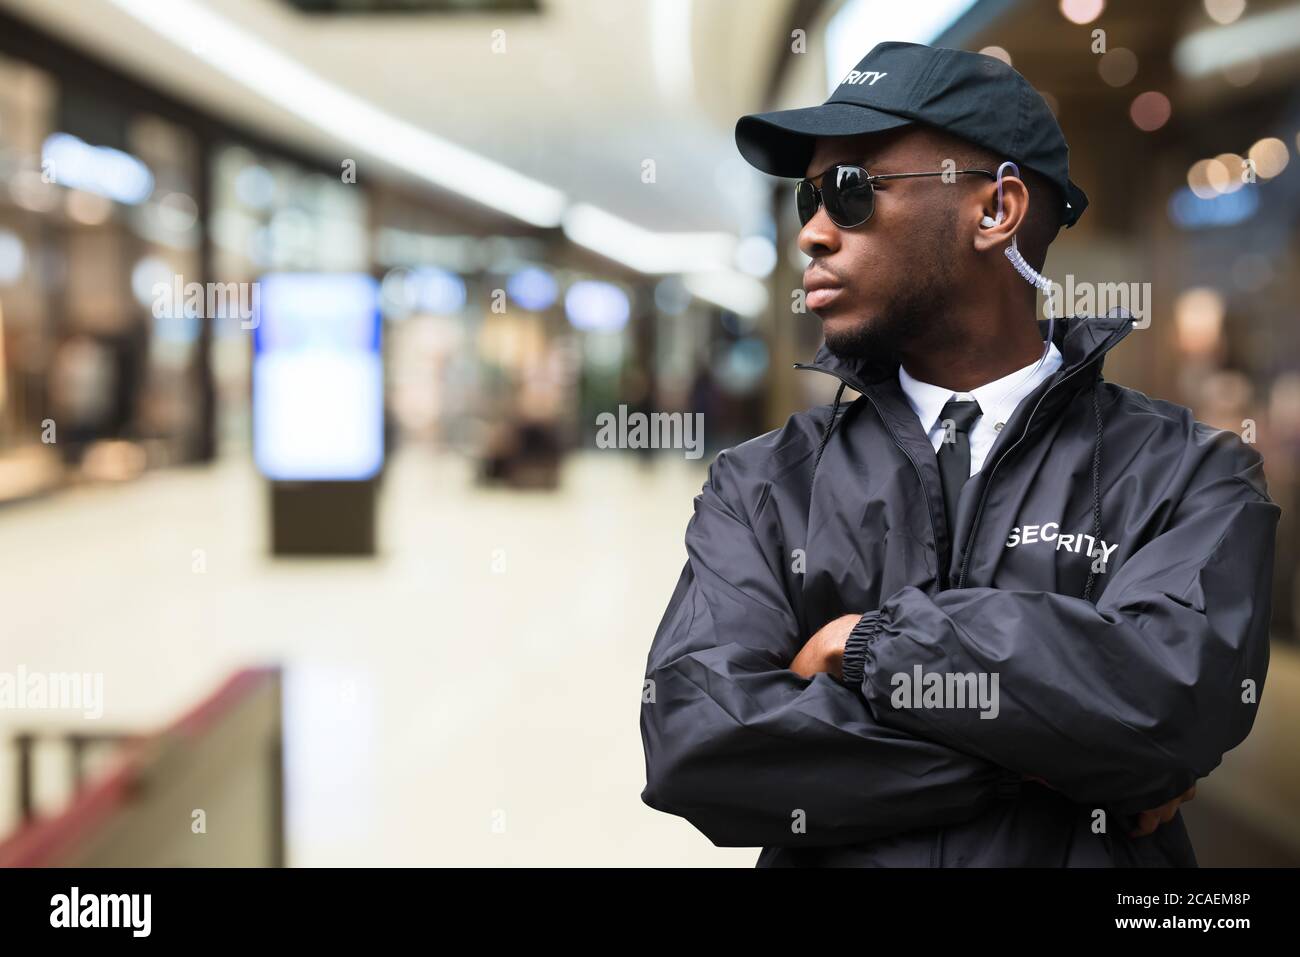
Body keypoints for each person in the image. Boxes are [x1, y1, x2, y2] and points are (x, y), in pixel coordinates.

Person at [638, 41, 1280, 867]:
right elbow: (700, 735)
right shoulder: (764, 483)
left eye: (851, 191)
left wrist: (871, 644)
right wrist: (1062, 760)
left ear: (996, 210)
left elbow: (1171, 705)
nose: (814, 235)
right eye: (807, 200)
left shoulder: (1191, 473)